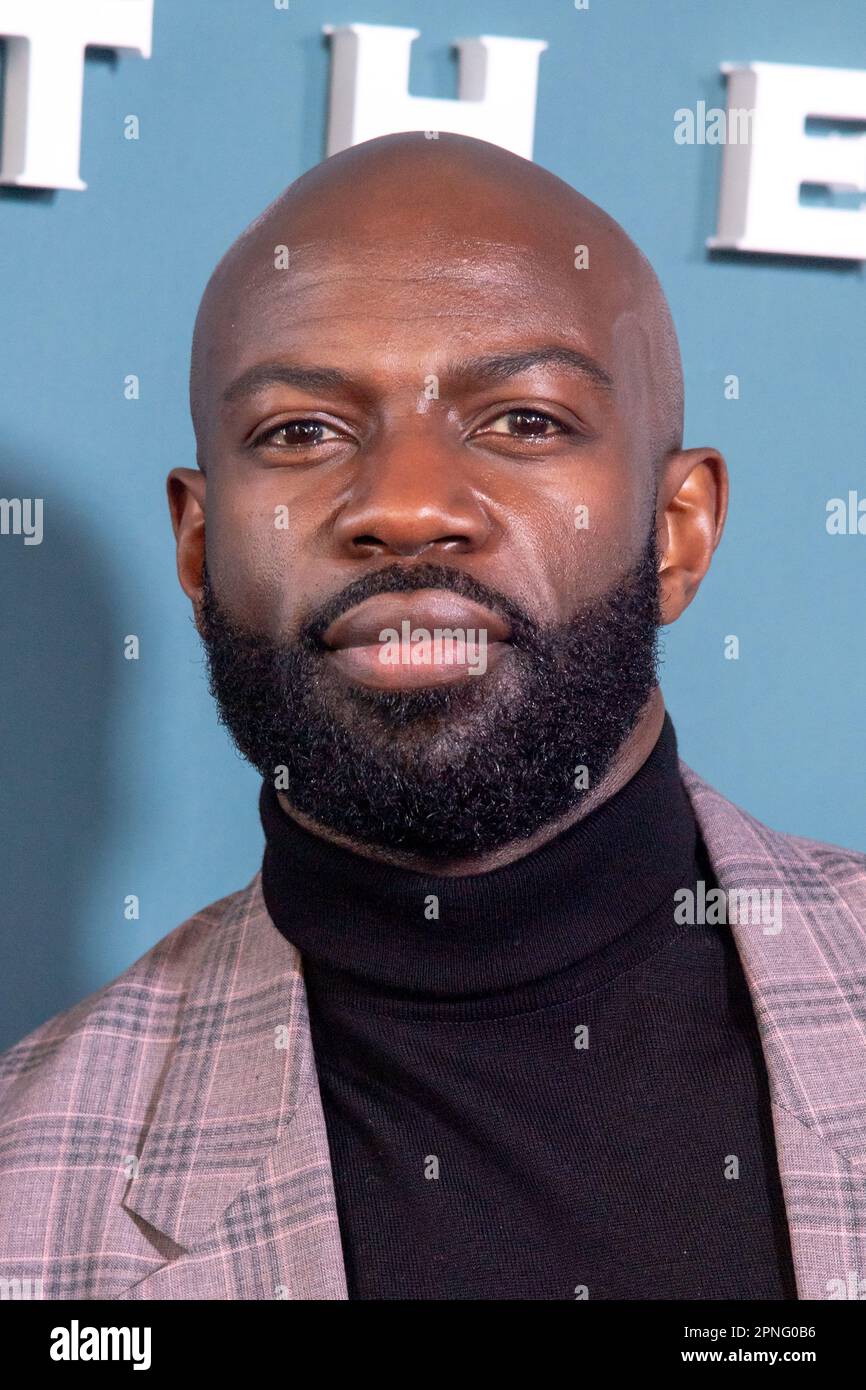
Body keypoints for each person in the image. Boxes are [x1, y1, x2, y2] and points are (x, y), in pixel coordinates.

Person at [1, 133, 863, 1301]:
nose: (404, 508)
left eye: (521, 421)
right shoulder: (27, 1201)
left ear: (677, 529)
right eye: (301, 431)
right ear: (199, 550)